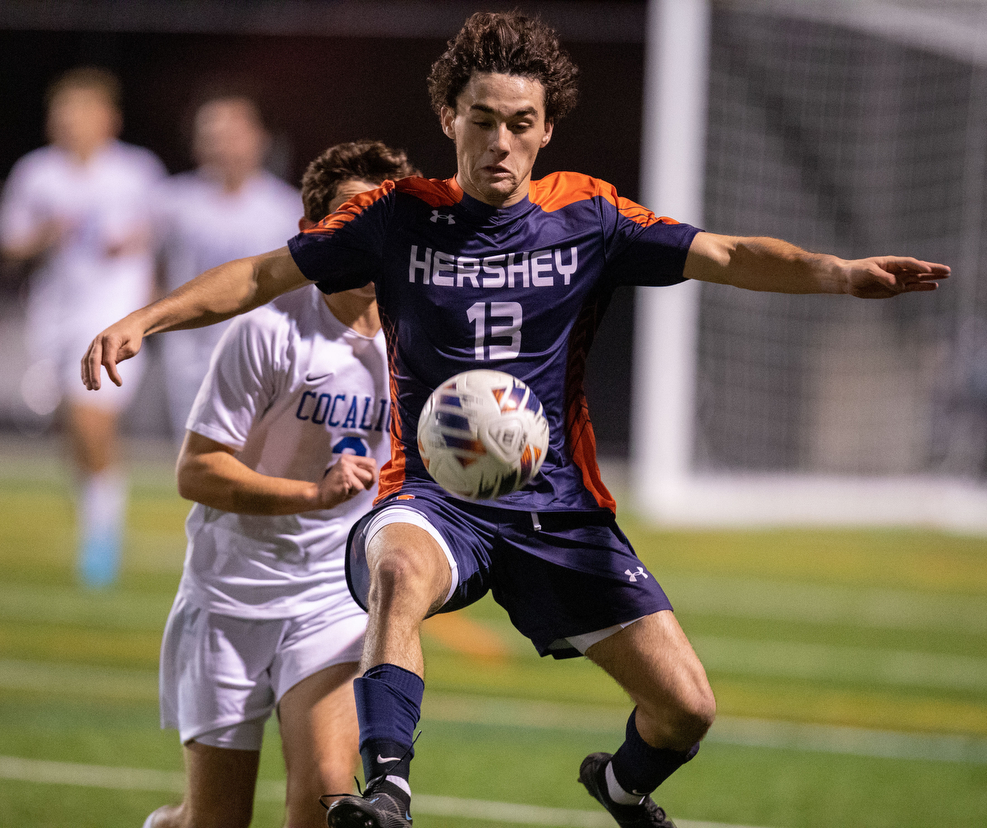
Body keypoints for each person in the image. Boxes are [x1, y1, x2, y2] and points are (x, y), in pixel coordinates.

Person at [82, 12, 950, 828]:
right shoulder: (398, 218)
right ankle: (388, 788)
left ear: (546, 128)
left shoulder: (589, 217)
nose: (501, 142)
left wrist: (840, 273)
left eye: (521, 122)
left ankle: (617, 783)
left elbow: (724, 255)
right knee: (396, 574)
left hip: (557, 509)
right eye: (483, 119)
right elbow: (263, 276)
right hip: (433, 498)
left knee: (686, 707)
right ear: (448, 116)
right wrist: (143, 318)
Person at [142, 140, 419, 828]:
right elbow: (196, 470)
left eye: (378, 223)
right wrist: (312, 495)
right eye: (345, 224)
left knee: (326, 791)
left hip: (332, 597)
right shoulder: (268, 331)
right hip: (230, 595)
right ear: (312, 236)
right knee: (215, 819)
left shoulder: (416, 341)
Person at [0, 66, 166, 588]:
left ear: (107, 118)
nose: (69, 123)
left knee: (93, 418)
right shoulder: (37, 173)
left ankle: (101, 536)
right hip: (54, 316)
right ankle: (96, 507)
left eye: (80, 112)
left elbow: (158, 240)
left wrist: (152, 305)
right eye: (62, 114)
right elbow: (9, 247)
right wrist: (46, 234)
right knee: (70, 425)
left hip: (113, 314)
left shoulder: (137, 172)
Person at [155, 94, 304, 441]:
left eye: (231, 134)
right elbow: (152, 267)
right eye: (211, 136)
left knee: (257, 459)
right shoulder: (173, 202)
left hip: (262, 353)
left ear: (259, 138)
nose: (221, 146)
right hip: (188, 353)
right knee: (197, 461)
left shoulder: (284, 208)